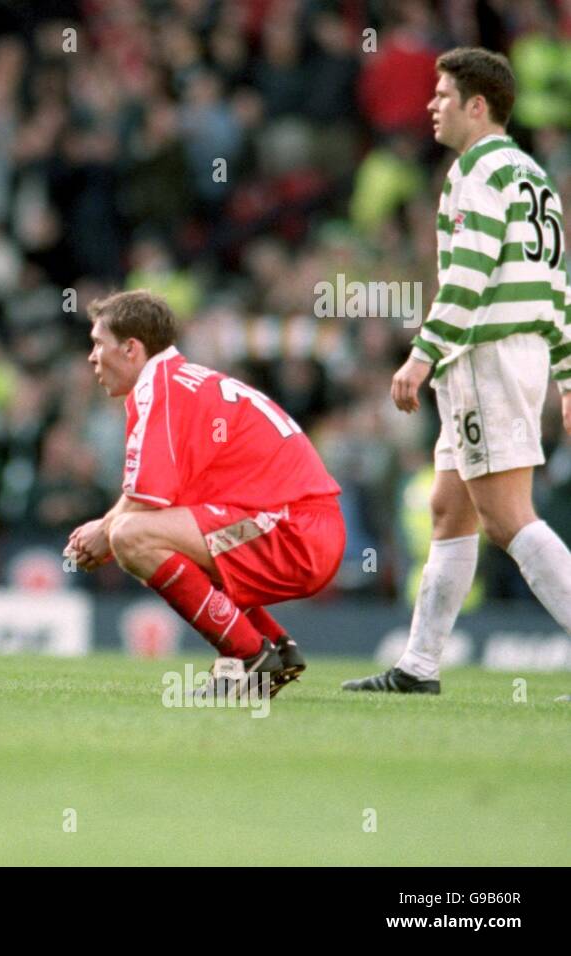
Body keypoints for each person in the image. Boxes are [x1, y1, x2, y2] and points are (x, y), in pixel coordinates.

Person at [345, 48, 570, 694]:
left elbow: (466, 280)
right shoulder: (534, 177)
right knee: (450, 509)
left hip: (487, 356)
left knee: (507, 517)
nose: (430, 107)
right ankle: (420, 665)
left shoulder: (475, 172)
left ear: (478, 106)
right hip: (520, 353)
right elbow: (557, 285)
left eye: (442, 96)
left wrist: (422, 355)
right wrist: (567, 373)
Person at [67, 290, 345, 696]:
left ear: (130, 348)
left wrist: (103, 532)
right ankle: (275, 648)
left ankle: (249, 658)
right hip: (303, 524)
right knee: (159, 537)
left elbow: (148, 497)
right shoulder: (185, 381)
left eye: (97, 344)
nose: (92, 357)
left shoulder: (159, 389)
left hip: (293, 529)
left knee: (131, 534)